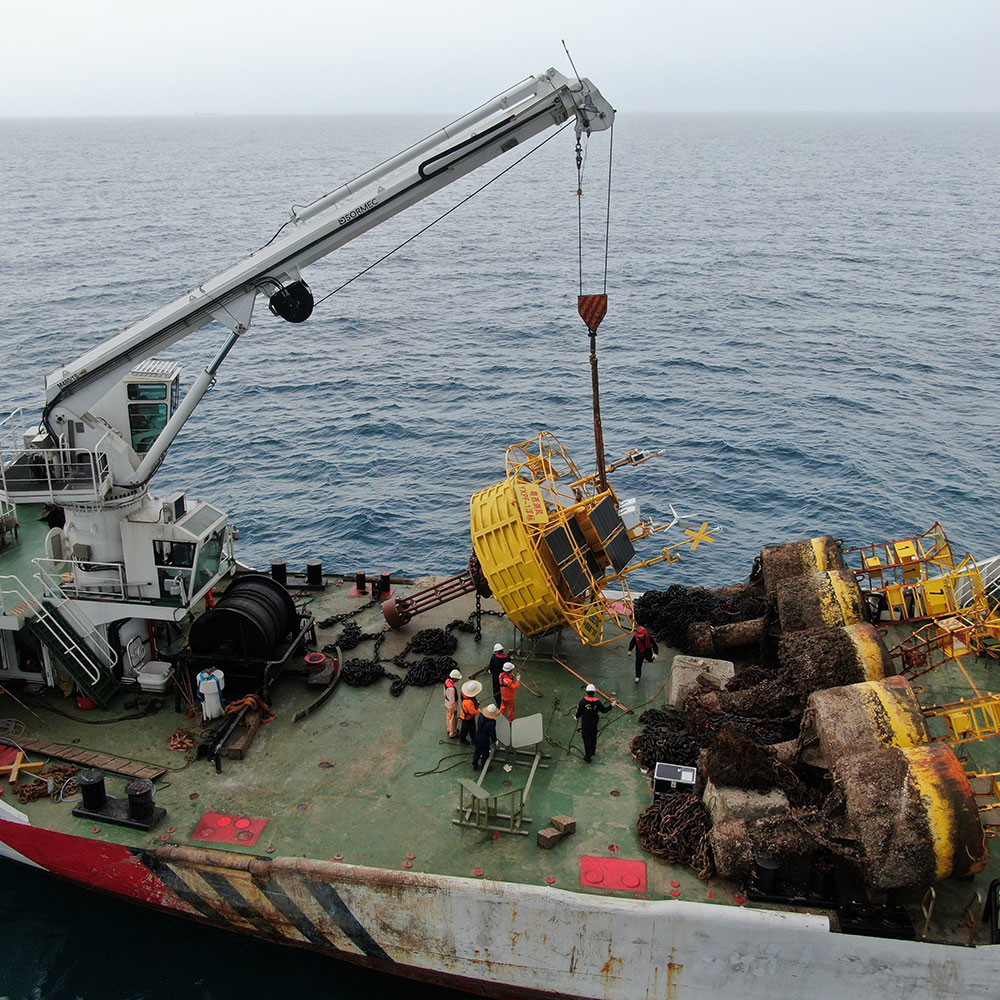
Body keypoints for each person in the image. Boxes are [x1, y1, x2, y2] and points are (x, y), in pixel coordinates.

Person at [575, 683, 614, 762]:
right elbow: (604, 710)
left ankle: (588, 757)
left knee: (586, 739)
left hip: (585, 723)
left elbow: (579, 712)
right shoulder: (597, 702)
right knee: (593, 737)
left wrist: (576, 717)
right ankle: (592, 751)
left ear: (586, 692)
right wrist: (611, 705)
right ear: (594, 692)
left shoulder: (582, 702)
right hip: (594, 723)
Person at [473, 703, 500, 771]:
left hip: (478, 735)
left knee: (477, 751)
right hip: (484, 739)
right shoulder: (490, 723)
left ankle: (475, 764)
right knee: (485, 753)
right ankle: (484, 767)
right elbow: (492, 733)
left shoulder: (481, 716)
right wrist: (495, 740)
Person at [459, 680, 482, 746]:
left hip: (469, 717)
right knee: (466, 729)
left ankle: (473, 738)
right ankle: (463, 739)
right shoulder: (468, 702)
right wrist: (479, 711)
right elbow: (471, 711)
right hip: (467, 718)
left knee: (472, 728)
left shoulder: (465, 695)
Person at [444, 668, 462, 738]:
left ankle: (449, 729)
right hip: (451, 705)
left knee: (449, 717)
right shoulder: (451, 688)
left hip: (447, 703)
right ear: (455, 678)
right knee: (453, 719)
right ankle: (453, 733)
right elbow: (452, 700)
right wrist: (454, 708)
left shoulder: (447, 681)